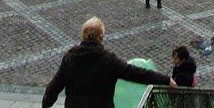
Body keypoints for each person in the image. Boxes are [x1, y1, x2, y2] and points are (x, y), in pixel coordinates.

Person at [41, 17, 171, 108]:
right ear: (101, 37)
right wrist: (166, 80)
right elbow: (135, 73)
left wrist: (47, 103)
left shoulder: (70, 58)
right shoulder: (108, 60)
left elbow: (54, 86)